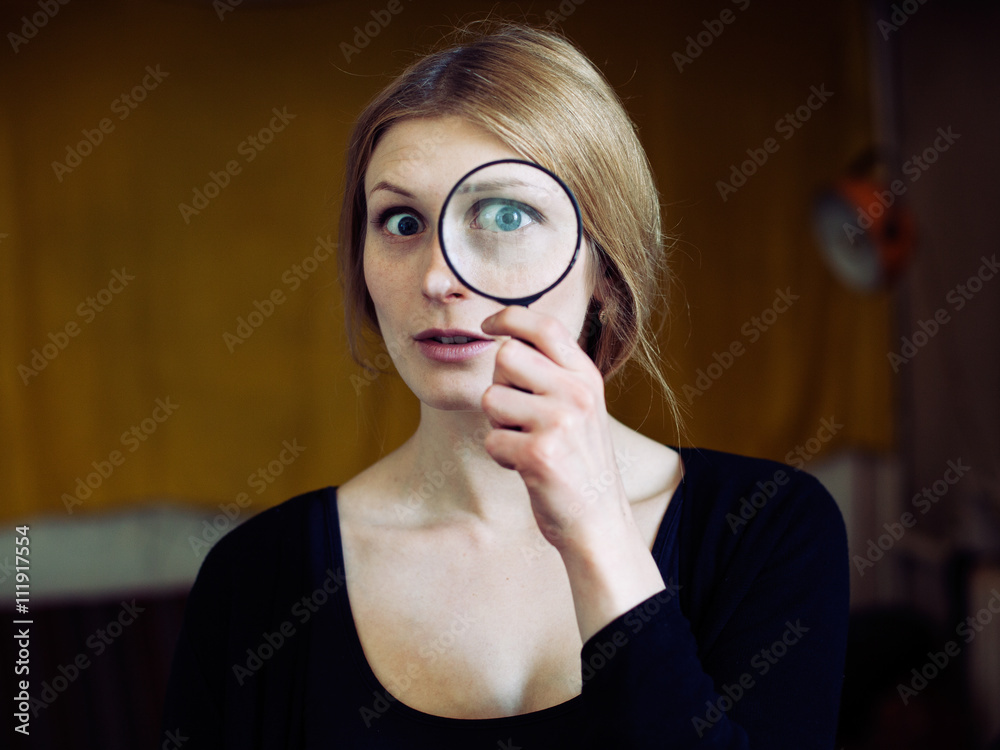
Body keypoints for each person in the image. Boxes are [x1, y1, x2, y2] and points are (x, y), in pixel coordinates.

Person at [162, 20, 848, 749]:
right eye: (400, 221)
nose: (437, 276)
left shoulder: (770, 531)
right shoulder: (258, 580)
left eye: (505, 215)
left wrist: (595, 532)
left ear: (604, 274)